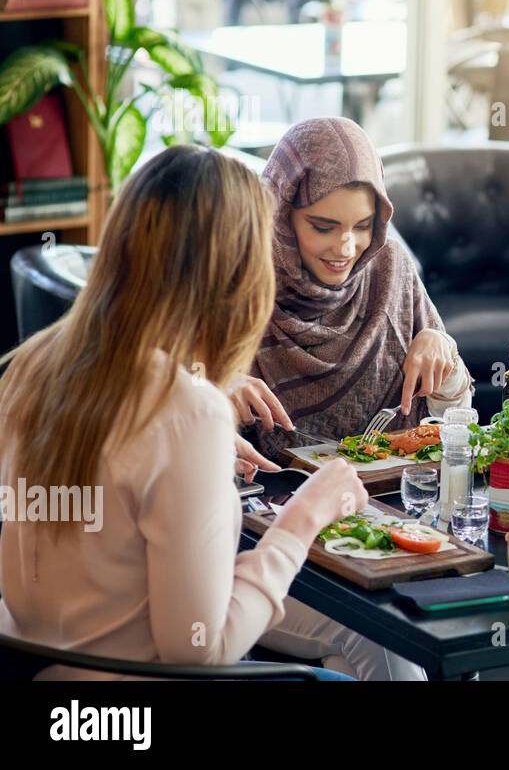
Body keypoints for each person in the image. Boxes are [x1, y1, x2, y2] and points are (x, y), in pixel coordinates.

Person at [0, 146, 368, 679]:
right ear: (236, 272)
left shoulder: (30, 365)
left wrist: (196, 460)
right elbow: (199, 650)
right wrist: (303, 517)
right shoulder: (187, 413)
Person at [228, 117, 471, 680]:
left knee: (440, 635)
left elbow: (454, 427)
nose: (346, 248)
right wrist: (213, 396)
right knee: (386, 641)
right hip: (266, 552)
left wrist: (445, 359)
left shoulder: (387, 269)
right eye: (323, 225)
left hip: (382, 537)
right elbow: (165, 423)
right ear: (281, 213)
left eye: (363, 225)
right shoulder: (237, 285)